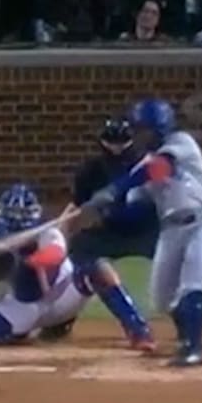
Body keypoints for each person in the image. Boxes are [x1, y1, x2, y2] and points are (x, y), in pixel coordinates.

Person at [80, 98, 202, 367]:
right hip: (171, 232)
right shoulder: (142, 165)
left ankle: (194, 347)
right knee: (161, 298)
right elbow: (136, 206)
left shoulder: (181, 144)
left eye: (145, 129)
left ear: (161, 128)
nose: (141, 135)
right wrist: (105, 211)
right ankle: (185, 335)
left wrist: (113, 189)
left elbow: (157, 169)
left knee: (193, 280)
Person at [55, 116, 160, 350]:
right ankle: (136, 328)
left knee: (176, 271)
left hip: (150, 228)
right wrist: (59, 237)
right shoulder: (91, 170)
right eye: (111, 142)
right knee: (83, 252)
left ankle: (188, 331)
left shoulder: (149, 163)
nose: (117, 147)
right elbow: (77, 207)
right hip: (112, 230)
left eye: (122, 142)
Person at [0, 184, 93, 346]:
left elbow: (56, 254)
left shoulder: (47, 232)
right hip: (23, 303)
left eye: (22, 214)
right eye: (12, 213)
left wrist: (29, 262)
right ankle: (22, 330)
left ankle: (60, 323)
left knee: (95, 268)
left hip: (58, 297)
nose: (16, 218)